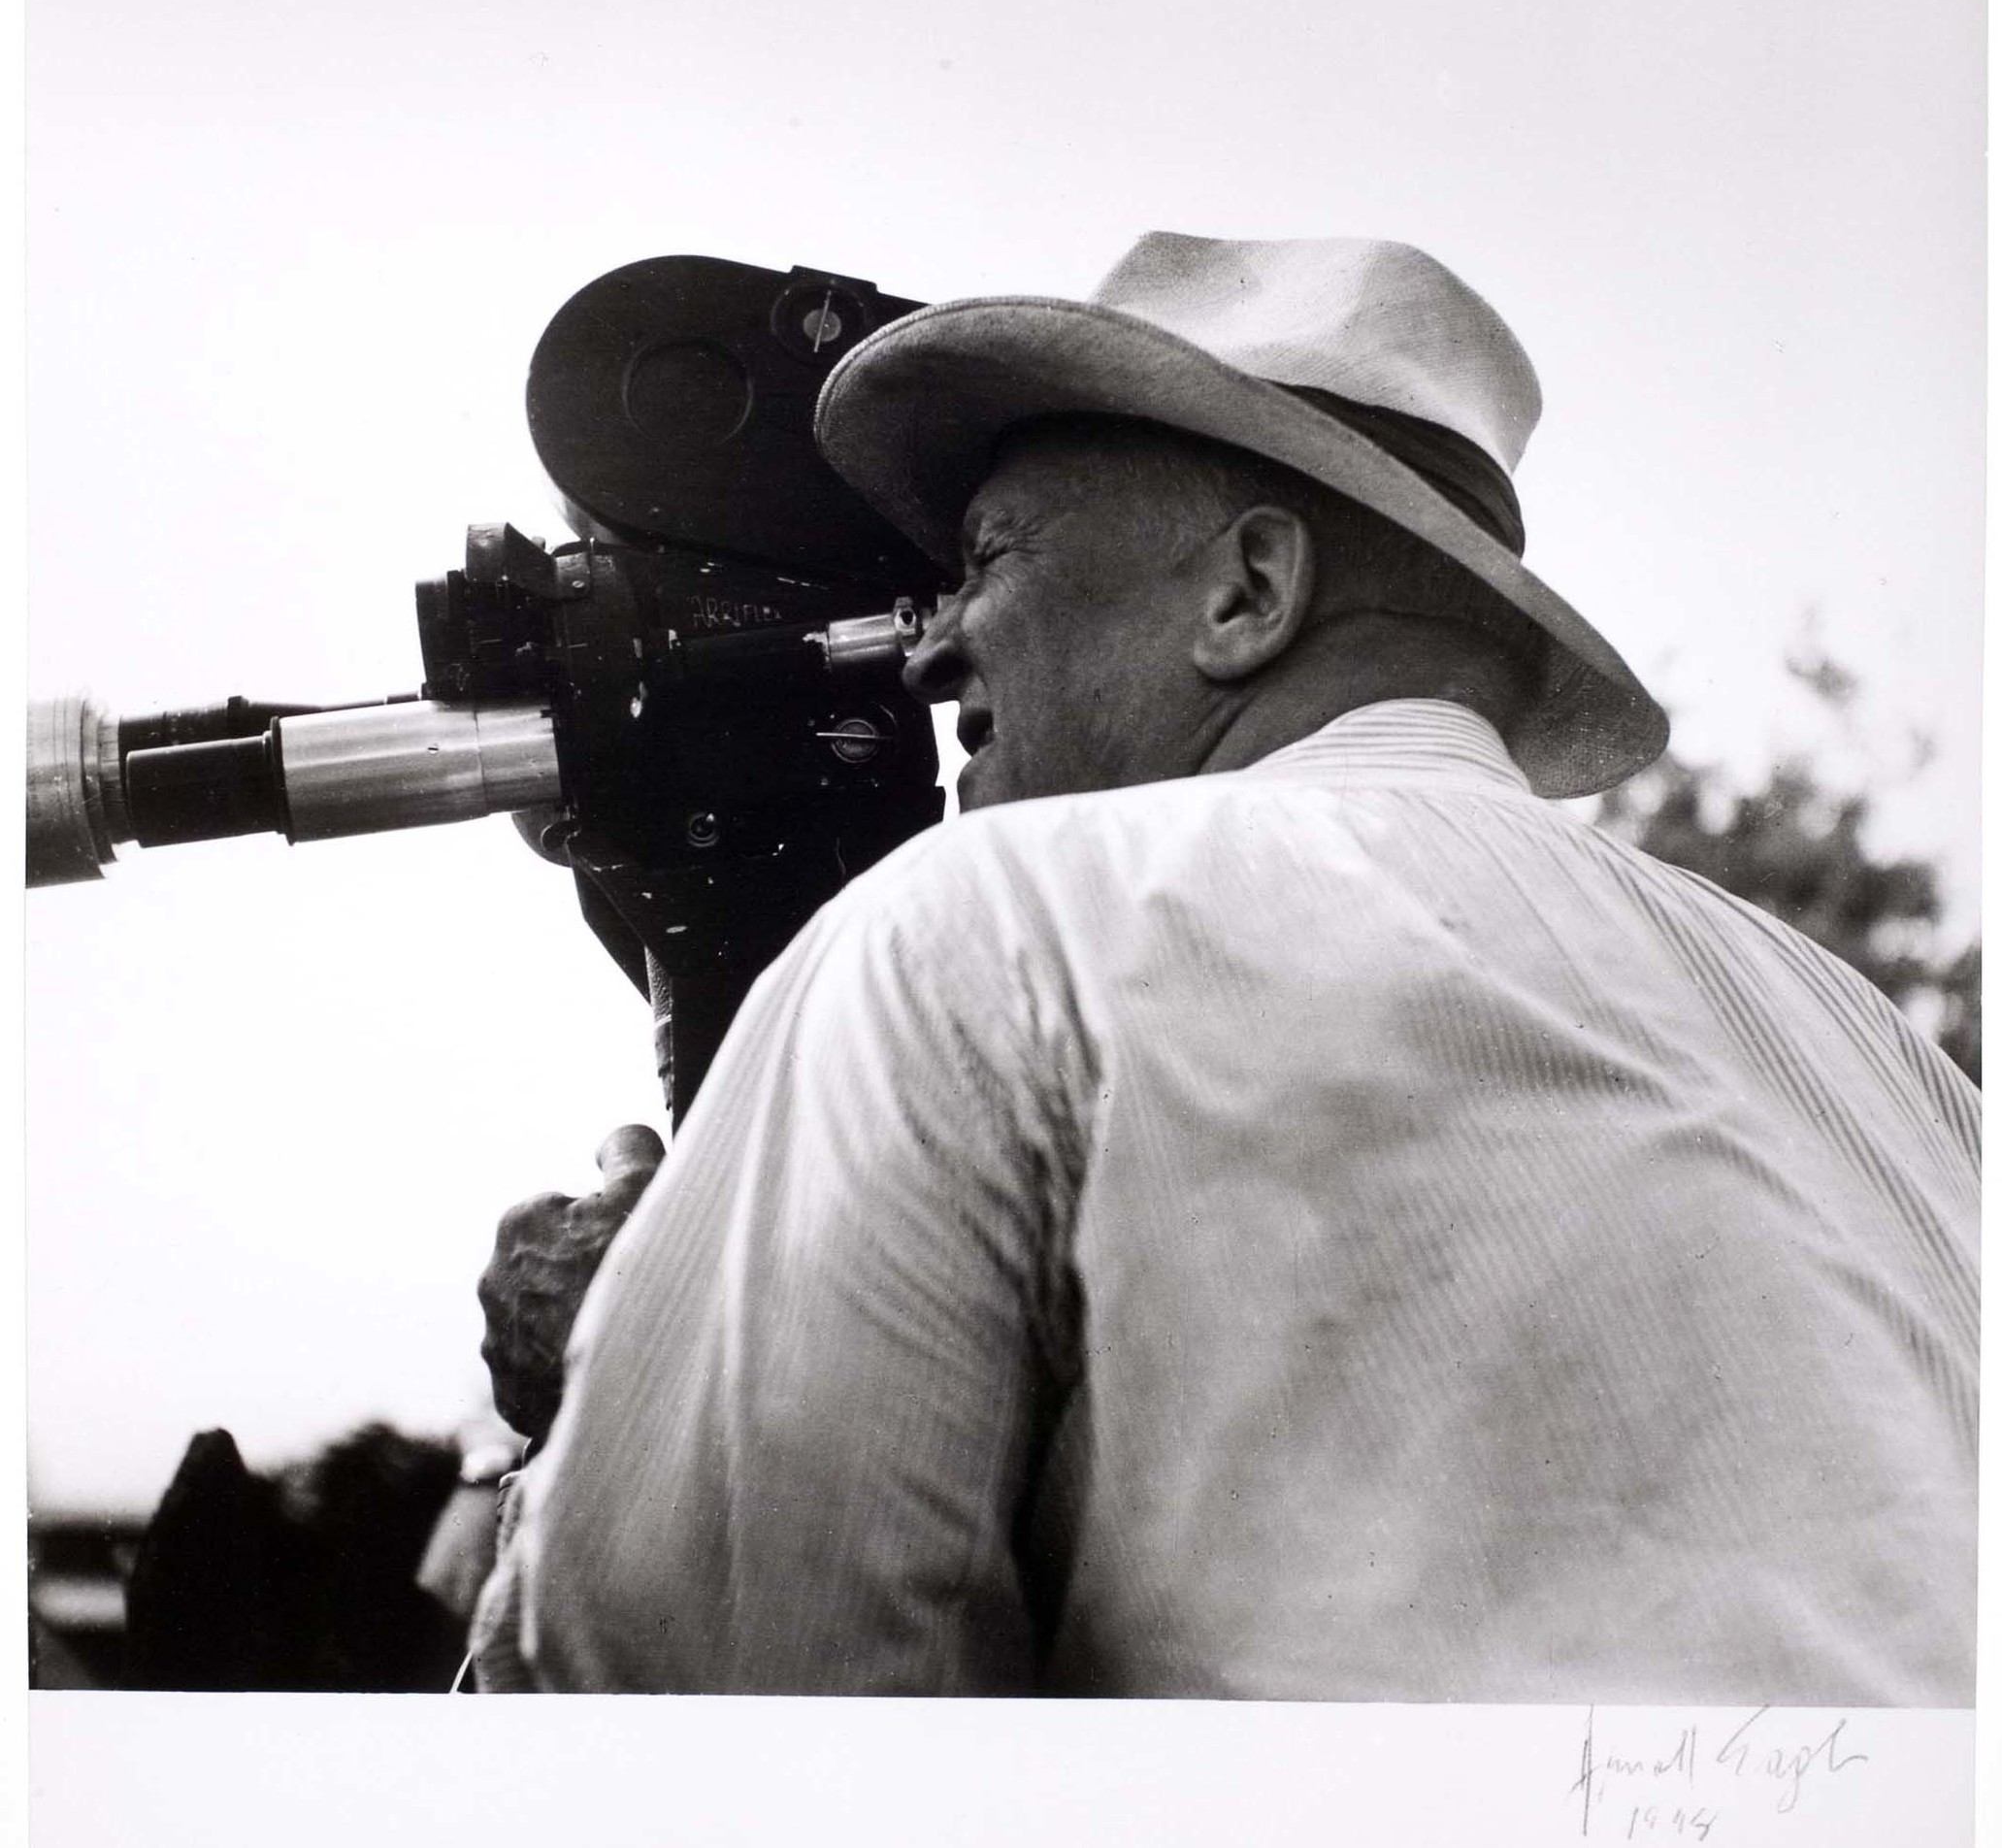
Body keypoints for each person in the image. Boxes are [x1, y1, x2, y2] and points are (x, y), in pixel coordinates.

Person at [470, 231, 1980, 1700]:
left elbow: (704, 1718)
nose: (932, 650)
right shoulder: (1885, 1057)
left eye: (991, 557)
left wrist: (612, 1366)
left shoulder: (988, 925)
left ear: (1248, 594)